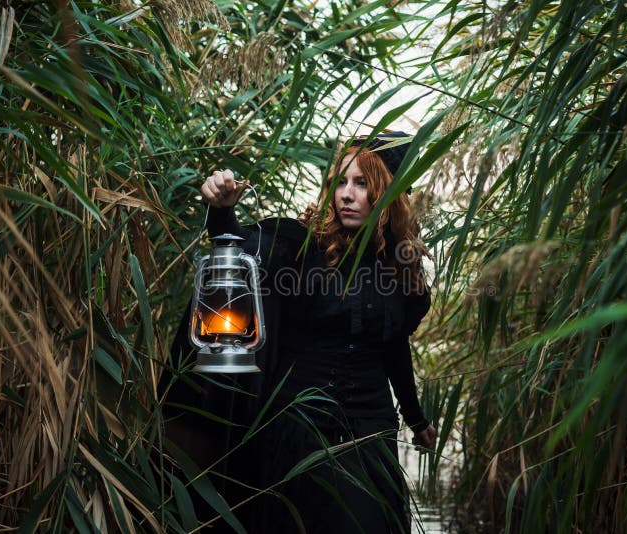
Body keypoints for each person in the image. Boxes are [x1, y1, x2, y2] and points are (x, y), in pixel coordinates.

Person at [176, 132, 435, 533]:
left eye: (362, 184)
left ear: (389, 193)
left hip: (369, 431)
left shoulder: (401, 272)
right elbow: (238, 249)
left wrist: (416, 419)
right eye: (341, 182)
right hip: (298, 425)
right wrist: (222, 211)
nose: (346, 195)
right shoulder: (299, 248)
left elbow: (394, 350)